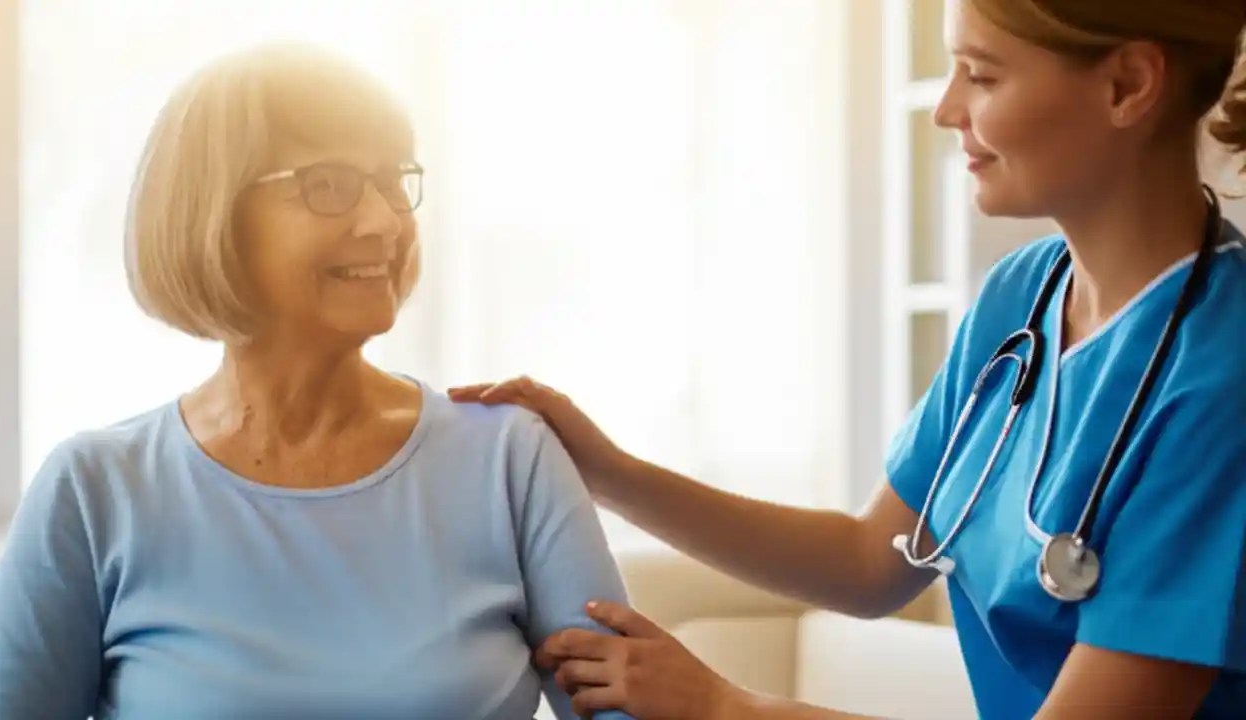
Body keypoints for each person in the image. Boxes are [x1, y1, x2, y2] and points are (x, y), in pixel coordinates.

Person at [448, 1, 1246, 718]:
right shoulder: (1022, 298)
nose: (945, 109)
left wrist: (725, 709)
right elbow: (871, 562)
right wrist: (610, 472)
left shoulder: (1222, 375)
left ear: (1128, 86)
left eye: (981, 74)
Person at [0, 42, 634, 720]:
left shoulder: (510, 460)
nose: (383, 220)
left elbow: (622, 707)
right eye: (331, 184)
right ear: (215, 213)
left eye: (391, 182)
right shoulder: (94, 491)